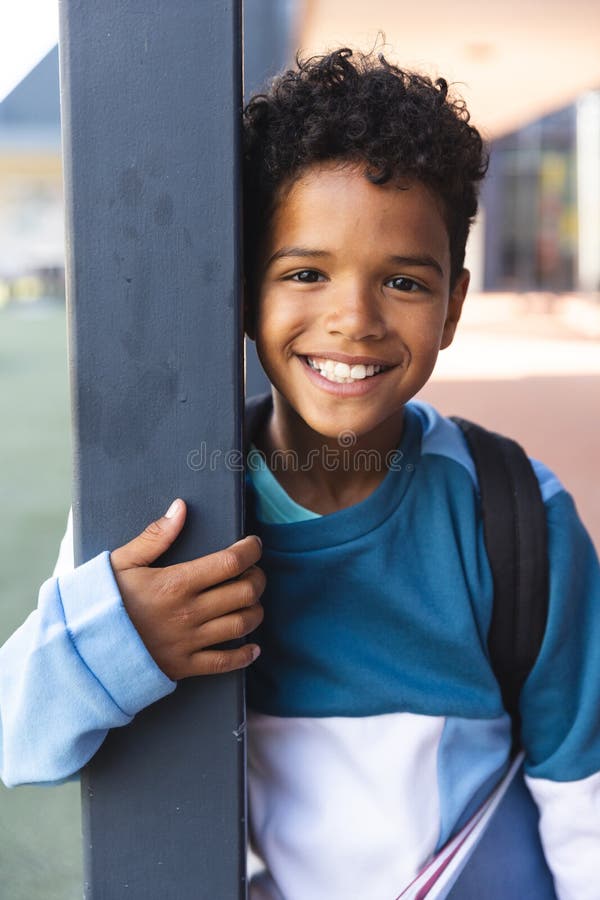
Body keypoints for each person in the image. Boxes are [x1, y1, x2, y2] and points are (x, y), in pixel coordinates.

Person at [1, 48, 599, 900]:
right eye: (305, 274)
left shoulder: (517, 517)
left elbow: (587, 807)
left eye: (401, 281)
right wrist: (126, 636)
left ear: (455, 306)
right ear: (245, 292)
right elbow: (19, 739)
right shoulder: (169, 516)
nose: (351, 320)